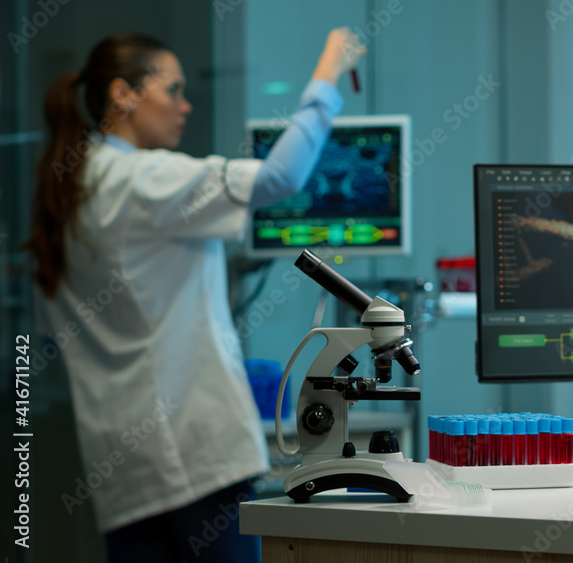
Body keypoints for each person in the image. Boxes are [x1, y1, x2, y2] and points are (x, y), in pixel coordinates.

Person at [26, 29, 364, 562]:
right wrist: (327, 73)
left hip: (123, 469)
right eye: (173, 90)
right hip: (194, 454)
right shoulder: (145, 176)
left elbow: (135, 297)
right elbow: (281, 176)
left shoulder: (72, 189)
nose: (185, 106)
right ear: (123, 95)